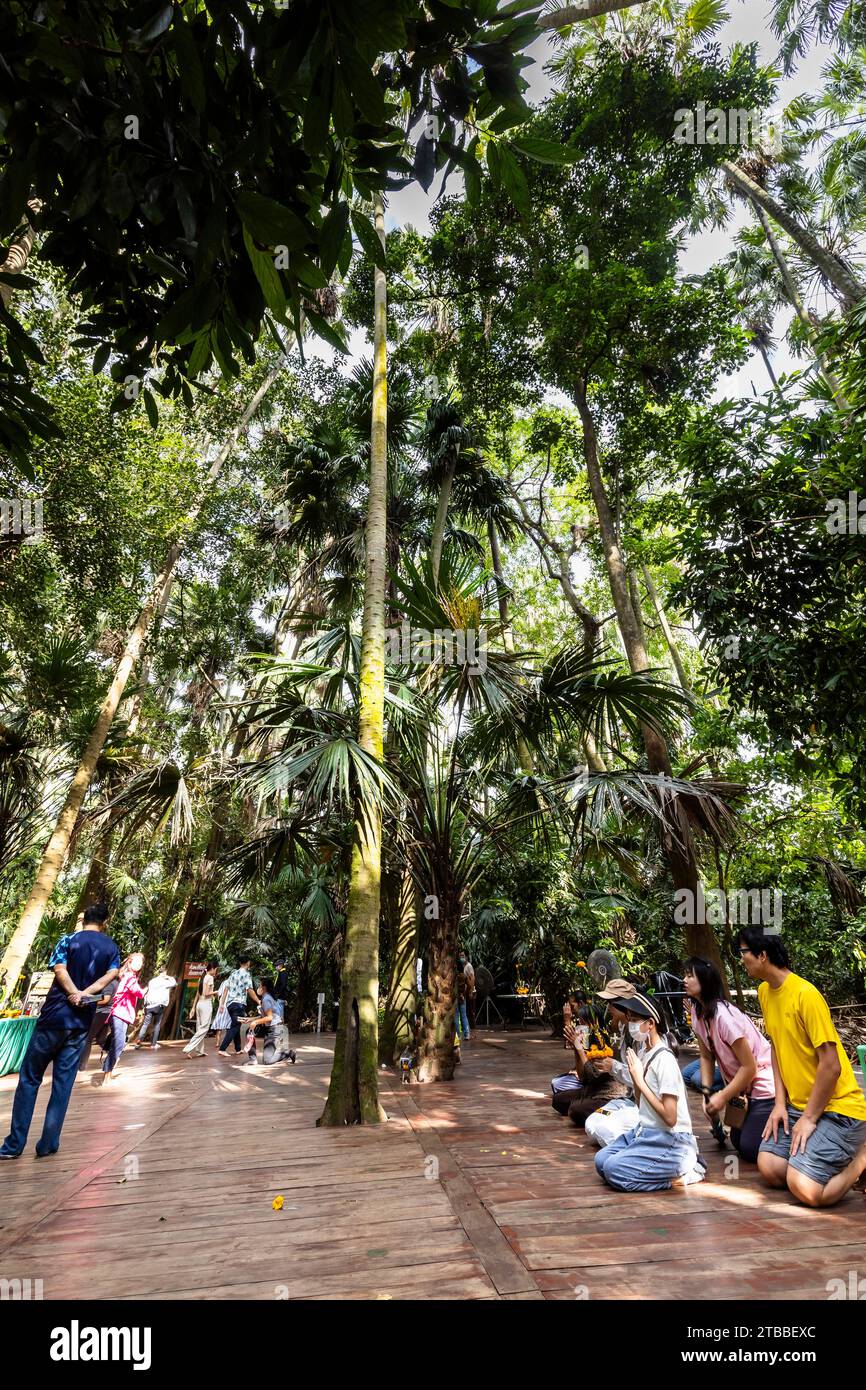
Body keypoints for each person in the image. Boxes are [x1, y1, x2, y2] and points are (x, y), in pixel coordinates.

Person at [738, 927, 866, 1207]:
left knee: (806, 1189)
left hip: (838, 1108)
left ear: (762, 955)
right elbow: (777, 1049)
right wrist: (780, 1104)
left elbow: (831, 1067)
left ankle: (861, 1157)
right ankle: (813, 1161)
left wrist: (809, 1118)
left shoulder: (805, 995)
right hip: (798, 1107)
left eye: (743, 952)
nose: (741, 959)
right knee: (770, 1167)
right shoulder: (764, 991)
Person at [0, 903, 120, 1159]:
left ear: (84, 918)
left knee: (30, 1079)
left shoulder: (68, 940)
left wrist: (73, 992)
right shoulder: (111, 948)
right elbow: (110, 975)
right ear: (105, 922)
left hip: (53, 1018)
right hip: (79, 1025)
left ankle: (14, 1145)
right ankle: (48, 1144)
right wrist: (85, 994)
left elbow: (59, 969)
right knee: (62, 1084)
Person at [595, 992, 706, 1191]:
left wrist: (639, 1079)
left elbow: (670, 1118)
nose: (631, 1025)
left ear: (651, 1024)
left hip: (671, 1140)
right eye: (629, 1020)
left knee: (613, 1170)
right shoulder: (644, 1053)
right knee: (601, 1160)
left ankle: (687, 1173)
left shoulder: (665, 1060)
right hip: (646, 1131)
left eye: (635, 1021)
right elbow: (641, 1104)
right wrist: (635, 1077)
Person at [683, 955, 776, 1163]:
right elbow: (706, 1056)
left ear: (706, 980)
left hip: (763, 1084)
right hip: (742, 1090)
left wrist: (722, 1097)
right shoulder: (698, 1013)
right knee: (736, 1140)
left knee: (750, 1149)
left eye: (690, 976)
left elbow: (749, 1067)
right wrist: (707, 1094)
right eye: (685, 975)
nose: (685, 980)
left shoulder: (725, 1017)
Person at [584, 977, 644, 1147]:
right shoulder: (624, 1030)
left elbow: (642, 1080)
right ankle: (627, 1141)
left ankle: (630, 1153)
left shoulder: (643, 1035)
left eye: (611, 1003)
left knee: (603, 1130)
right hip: (628, 1100)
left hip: (645, 1105)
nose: (608, 1008)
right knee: (591, 1124)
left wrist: (614, 1067)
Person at [101, 952, 146, 1082]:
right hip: (120, 1013)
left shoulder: (129, 976)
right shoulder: (129, 977)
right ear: (130, 961)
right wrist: (144, 991)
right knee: (118, 1043)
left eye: (141, 962)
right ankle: (106, 1074)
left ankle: (108, 1074)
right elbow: (137, 992)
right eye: (136, 961)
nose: (139, 964)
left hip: (123, 1014)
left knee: (118, 1043)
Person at [243, 979, 296, 1066]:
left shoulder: (266, 999)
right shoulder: (266, 997)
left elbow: (270, 1017)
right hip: (269, 1027)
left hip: (274, 1029)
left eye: (260, 985)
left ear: (264, 988)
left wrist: (255, 1022)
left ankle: (288, 1053)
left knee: (267, 1061)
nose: (258, 988)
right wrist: (251, 1019)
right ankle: (252, 1059)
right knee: (249, 1031)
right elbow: (266, 1016)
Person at [217, 955, 259, 1058]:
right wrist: (258, 1001)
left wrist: (222, 1004)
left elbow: (226, 989)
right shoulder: (246, 974)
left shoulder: (233, 974)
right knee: (235, 1026)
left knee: (236, 1024)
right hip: (238, 1004)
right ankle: (222, 1049)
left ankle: (238, 1049)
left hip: (230, 1004)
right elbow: (249, 989)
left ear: (240, 963)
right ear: (248, 962)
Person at [78, 974, 118, 1072]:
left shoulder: (109, 983)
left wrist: (89, 1000)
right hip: (108, 1014)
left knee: (88, 1038)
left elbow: (106, 999)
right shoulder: (116, 982)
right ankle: (114, 1053)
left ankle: (81, 1066)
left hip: (101, 1013)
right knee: (101, 1039)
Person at [135, 965, 177, 1049]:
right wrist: (168, 977)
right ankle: (153, 1044)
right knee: (157, 1024)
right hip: (159, 1006)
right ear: (165, 973)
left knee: (145, 1024)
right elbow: (175, 983)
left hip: (149, 1005)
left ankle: (138, 1041)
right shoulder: (165, 982)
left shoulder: (152, 981)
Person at [183, 962, 218, 1058]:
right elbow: (207, 993)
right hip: (206, 1005)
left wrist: (193, 1008)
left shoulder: (201, 978)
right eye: (216, 969)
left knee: (199, 1028)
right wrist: (217, 991)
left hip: (199, 1005)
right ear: (213, 968)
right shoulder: (210, 978)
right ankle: (188, 1048)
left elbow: (198, 994)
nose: (216, 972)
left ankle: (200, 1050)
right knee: (204, 1028)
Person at [455, 957, 471, 1042]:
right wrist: (464, 993)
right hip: (462, 997)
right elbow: (469, 985)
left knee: (456, 1017)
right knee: (464, 1016)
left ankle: (458, 1035)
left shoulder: (454, 977)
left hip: (456, 997)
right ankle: (467, 1034)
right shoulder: (464, 976)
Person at [463, 955, 477, 1032]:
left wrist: (471, 990)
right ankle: (469, 1029)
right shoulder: (464, 966)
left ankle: (473, 1029)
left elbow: (472, 978)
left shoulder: (469, 966)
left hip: (470, 990)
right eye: (460, 956)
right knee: (468, 1010)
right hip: (466, 990)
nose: (461, 957)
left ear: (467, 957)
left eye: (463, 956)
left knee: (471, 1011)